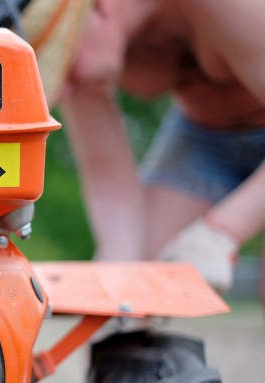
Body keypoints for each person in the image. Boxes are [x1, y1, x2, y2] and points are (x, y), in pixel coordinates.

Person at [60, 0, 265, 299]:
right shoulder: (78, 45)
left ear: (100, 9)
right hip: (205, 139)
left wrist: (221, 232)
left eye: (61, 55)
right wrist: (112, 288)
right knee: (140, 286)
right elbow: (108, 181)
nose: (62, 90)